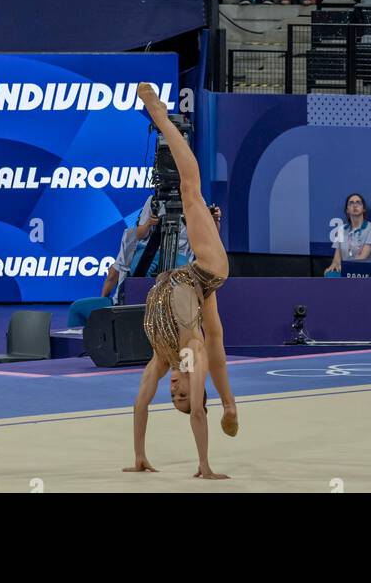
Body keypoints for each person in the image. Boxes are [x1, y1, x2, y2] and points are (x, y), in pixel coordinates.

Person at [127, 83, 236, 477]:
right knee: (190, 187)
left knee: (213, 331)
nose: (175, 389)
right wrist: (203, 465)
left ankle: (229, 405)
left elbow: (140, 402)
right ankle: (158, 113)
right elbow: (202, 396)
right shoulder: (191, 355)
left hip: (191, 280)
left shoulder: (162, 360)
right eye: (183, 393)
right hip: (205, 272)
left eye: (172, 396)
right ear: (195, 384)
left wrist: (139, 455)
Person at [327, 194, 371, 270]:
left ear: (363, 209)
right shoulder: (341, 229)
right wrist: (333, 267)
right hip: (344, 269)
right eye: (351, 203)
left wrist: (346, 269)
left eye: (358, 202)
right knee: (330, 274)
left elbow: (363, 257)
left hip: (362, 271)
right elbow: (337, 257)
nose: (355, 205)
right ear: (347, 210)